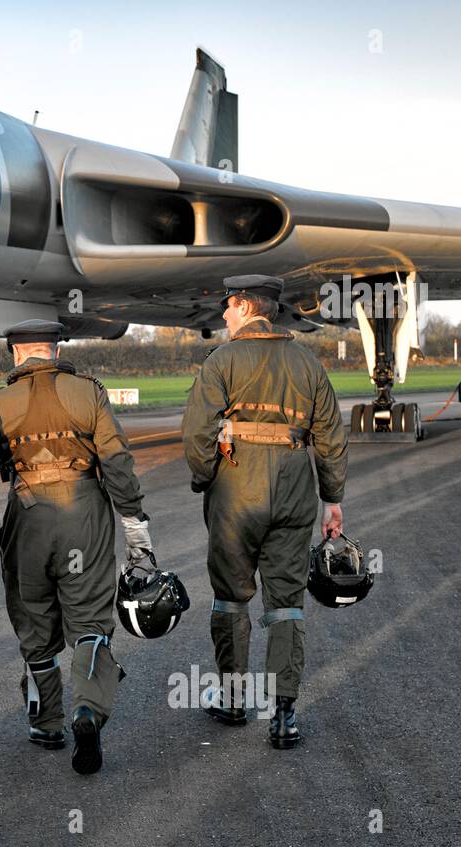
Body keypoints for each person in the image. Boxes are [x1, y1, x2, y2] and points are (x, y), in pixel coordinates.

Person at [180, 275, 348, 748]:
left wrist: (205, 476)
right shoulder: (307, 363)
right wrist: (331, 499)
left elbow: (197, 434)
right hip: (296, 490)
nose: (225, 317)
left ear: (242, 306)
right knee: (286, 603)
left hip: (237, 490)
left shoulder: (222, 360)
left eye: (228, 308)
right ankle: (284, 713)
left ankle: (233, 700)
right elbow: (331, 439)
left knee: (232, 596)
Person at [0, 319, 150, 774]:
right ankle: (87, 710)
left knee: (34, 623)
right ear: (55, 350)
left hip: (28, 517)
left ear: (17, 354)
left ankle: (46, 723)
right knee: (91, 619)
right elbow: (116, 460)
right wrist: (133, 521)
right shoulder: (89, 391)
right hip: (85, 515)